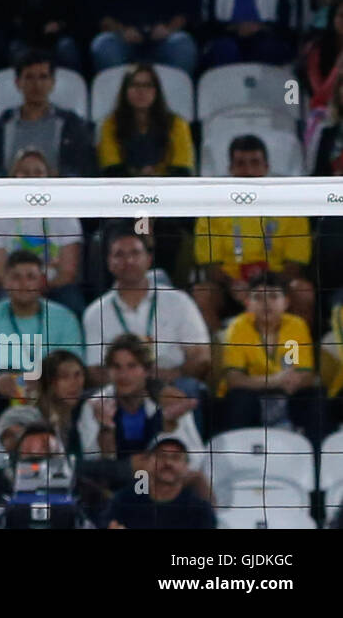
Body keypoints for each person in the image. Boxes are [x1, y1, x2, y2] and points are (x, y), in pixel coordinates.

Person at [0, 250, 85, 448]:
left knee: (75, 395)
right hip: (1, 391)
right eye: (16, 277)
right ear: (5, 282)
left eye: (31, 277)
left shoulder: (64, 318)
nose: (24, 284)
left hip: (49, 388)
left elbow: (74, 368)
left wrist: (42, 381)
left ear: (41, 282)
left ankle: (72, 463)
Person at [192, 135, 315, 327]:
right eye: (240, 164)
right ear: (230, 170)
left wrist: (268, 288)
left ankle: (300, 354)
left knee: (303, 291)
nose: (248, 171)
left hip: (277, 286)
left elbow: (295, 265)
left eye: (255, 163)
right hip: (231, 289)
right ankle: (214, 356)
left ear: (266, 167)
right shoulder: (213, 208)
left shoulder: (290, 206)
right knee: (203, 294)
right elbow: (210, 266)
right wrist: (233, 285)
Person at [83, 226, 211, 391]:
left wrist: (170, 376)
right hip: (120, 389)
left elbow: (201, 357)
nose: (128, 261)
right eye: (119, 255)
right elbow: (94, 370)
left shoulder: (179, 301)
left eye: (135, 253)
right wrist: (134, 381)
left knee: (189, 387)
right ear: (109, 263)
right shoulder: (95, 312)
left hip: (173, 382)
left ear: (149, 259)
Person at [216, 272, 330, 446]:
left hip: (287, 394)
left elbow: (305, 373)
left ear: (286, 302)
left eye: (273, 296)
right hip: (252, 396)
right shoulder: (238, 327)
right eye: (258, 298)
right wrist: (273, 381)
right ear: (248, 303)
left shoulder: (296, 325)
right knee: (239, 399)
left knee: (316, 397)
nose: (266, 303)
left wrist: (295, 381)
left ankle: (317, 460)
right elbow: (234, 380)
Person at [0, 148, 85, 313]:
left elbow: (68, 271)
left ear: (49, 177)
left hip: (55, 286)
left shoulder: (65, 214)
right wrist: (22, 286)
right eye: (24, 172)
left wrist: (40, 285)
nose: (32, 177)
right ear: (14, 177)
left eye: (38, 172)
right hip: (12, 287)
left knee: (71, 300)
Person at [78, 334, 204, 465]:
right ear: (108, 371)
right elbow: (90, 463)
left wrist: (169, 433)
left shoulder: (171, 403)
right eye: (116, 367)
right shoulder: (94, 405)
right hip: (116, 479)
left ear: (147, 370)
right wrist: (105, 432)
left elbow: (196, 459)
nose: (123, 375)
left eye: (132, 366)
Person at [0, 49, 95, 178]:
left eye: (43, 77)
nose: (37, 84)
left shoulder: (72, 125)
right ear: (18, 83)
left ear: (52, 82)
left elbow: (79, 171)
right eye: (29, 77)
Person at [97, 63, 195, 177]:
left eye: (147, 85)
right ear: (125, 91)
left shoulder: (177, 124)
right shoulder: (110, 124)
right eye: (134, 85)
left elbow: (182, 170)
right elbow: (111, 170)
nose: (141, 91)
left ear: (156, 91)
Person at [106, 434, 217, 529]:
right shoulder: (124, 501)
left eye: (176, 458)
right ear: (148, 462)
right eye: (161, 456)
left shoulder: (200, 511)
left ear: (186, 466)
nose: (168, 462)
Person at [35, 350, 87, 459]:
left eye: (78, 375)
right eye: (64, 377)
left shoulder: (88, 411)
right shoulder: (34, 417)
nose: (74, 383)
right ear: (49, 382)